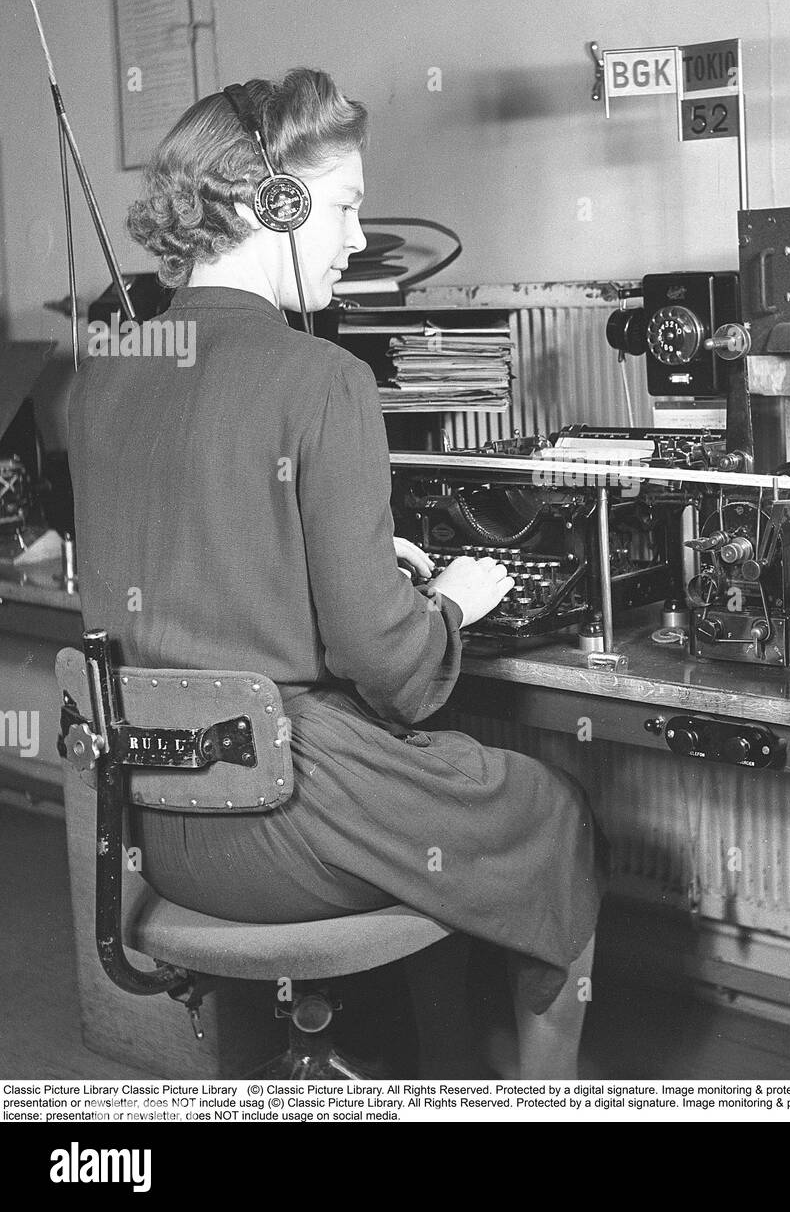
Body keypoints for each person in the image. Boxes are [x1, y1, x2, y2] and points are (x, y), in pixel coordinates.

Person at [67, 67, 605, 1078]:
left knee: (445, 807)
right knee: (555, 817)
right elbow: (390, 667)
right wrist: (446, 598)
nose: (360, 238)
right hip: (286, 815)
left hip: (157, 832)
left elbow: (192, 587)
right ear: (274, 202)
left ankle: (416, 1067)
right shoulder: (324, 378)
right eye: (348, 206)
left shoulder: (103, 376)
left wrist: (341, 563)